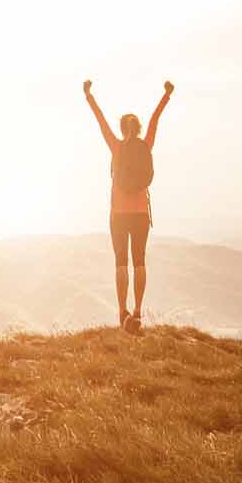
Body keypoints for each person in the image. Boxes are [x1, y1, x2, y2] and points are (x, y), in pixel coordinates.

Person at [83, 78, 173, 333]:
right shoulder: (146, 144)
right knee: (140, 261)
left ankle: (122, 312)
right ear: (139, 128)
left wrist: (89, 95)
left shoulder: (116, 146)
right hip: (141, 214)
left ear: (122, 129)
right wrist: (166, 95)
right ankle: (137, 311)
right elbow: (156, 119)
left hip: (119, 214)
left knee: (121, 262)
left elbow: (100, 121)